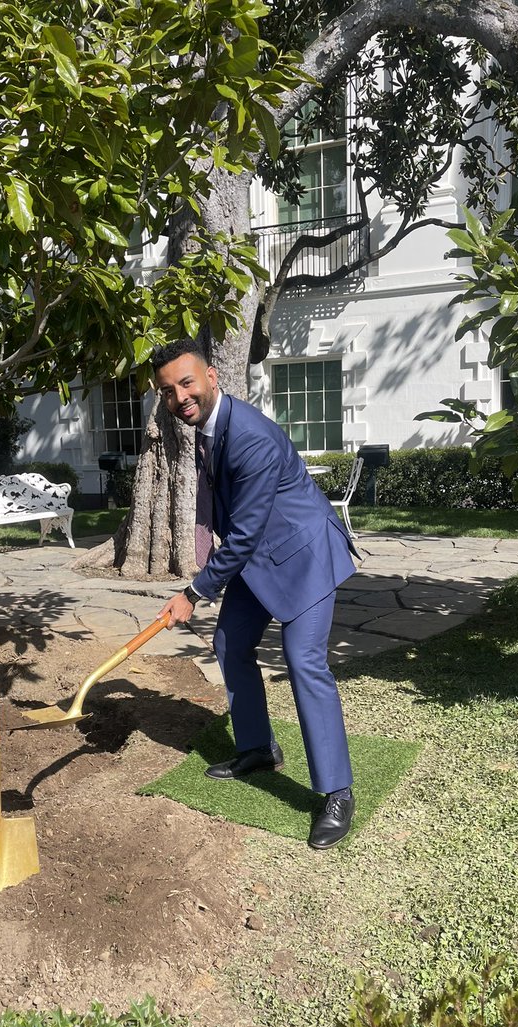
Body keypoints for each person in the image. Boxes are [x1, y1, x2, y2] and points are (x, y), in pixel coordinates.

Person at [155, 338, 359, 850]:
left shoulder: (249, 436)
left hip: (303, 553)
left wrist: (193, 592)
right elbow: (242, 530)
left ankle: (336, 791)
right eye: (169, 389)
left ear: (212, 377)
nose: (180, 395)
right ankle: (257, 749)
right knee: (231, 644)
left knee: (303, 659)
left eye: (187, 382)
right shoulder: (209, 427)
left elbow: (243, 533)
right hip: (260, 559)